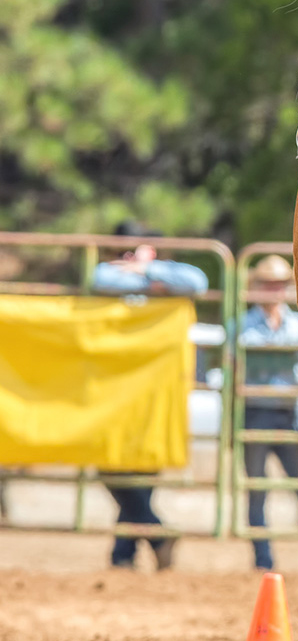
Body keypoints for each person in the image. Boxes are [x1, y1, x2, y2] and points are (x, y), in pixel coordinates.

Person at [91, 222, 202, 570]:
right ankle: (155, 537)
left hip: (153, 386)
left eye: (134, 249)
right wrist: (147, 275)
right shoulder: (110, 273)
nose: (126, 256)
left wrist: (144, 270)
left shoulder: (159, 271)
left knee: (142, 469)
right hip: (116, 386)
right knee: (111, 466)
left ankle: (124, 554)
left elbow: (197, 281)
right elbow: (101, 279)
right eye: (123, 251)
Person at [238, 254, 298, 571]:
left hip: (290, 413)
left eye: (279, 284)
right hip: (255, 412)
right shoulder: (245, 325)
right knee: (258, 491)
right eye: (267, 284)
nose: (274, 290)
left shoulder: (297, 325)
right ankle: (263, 560)